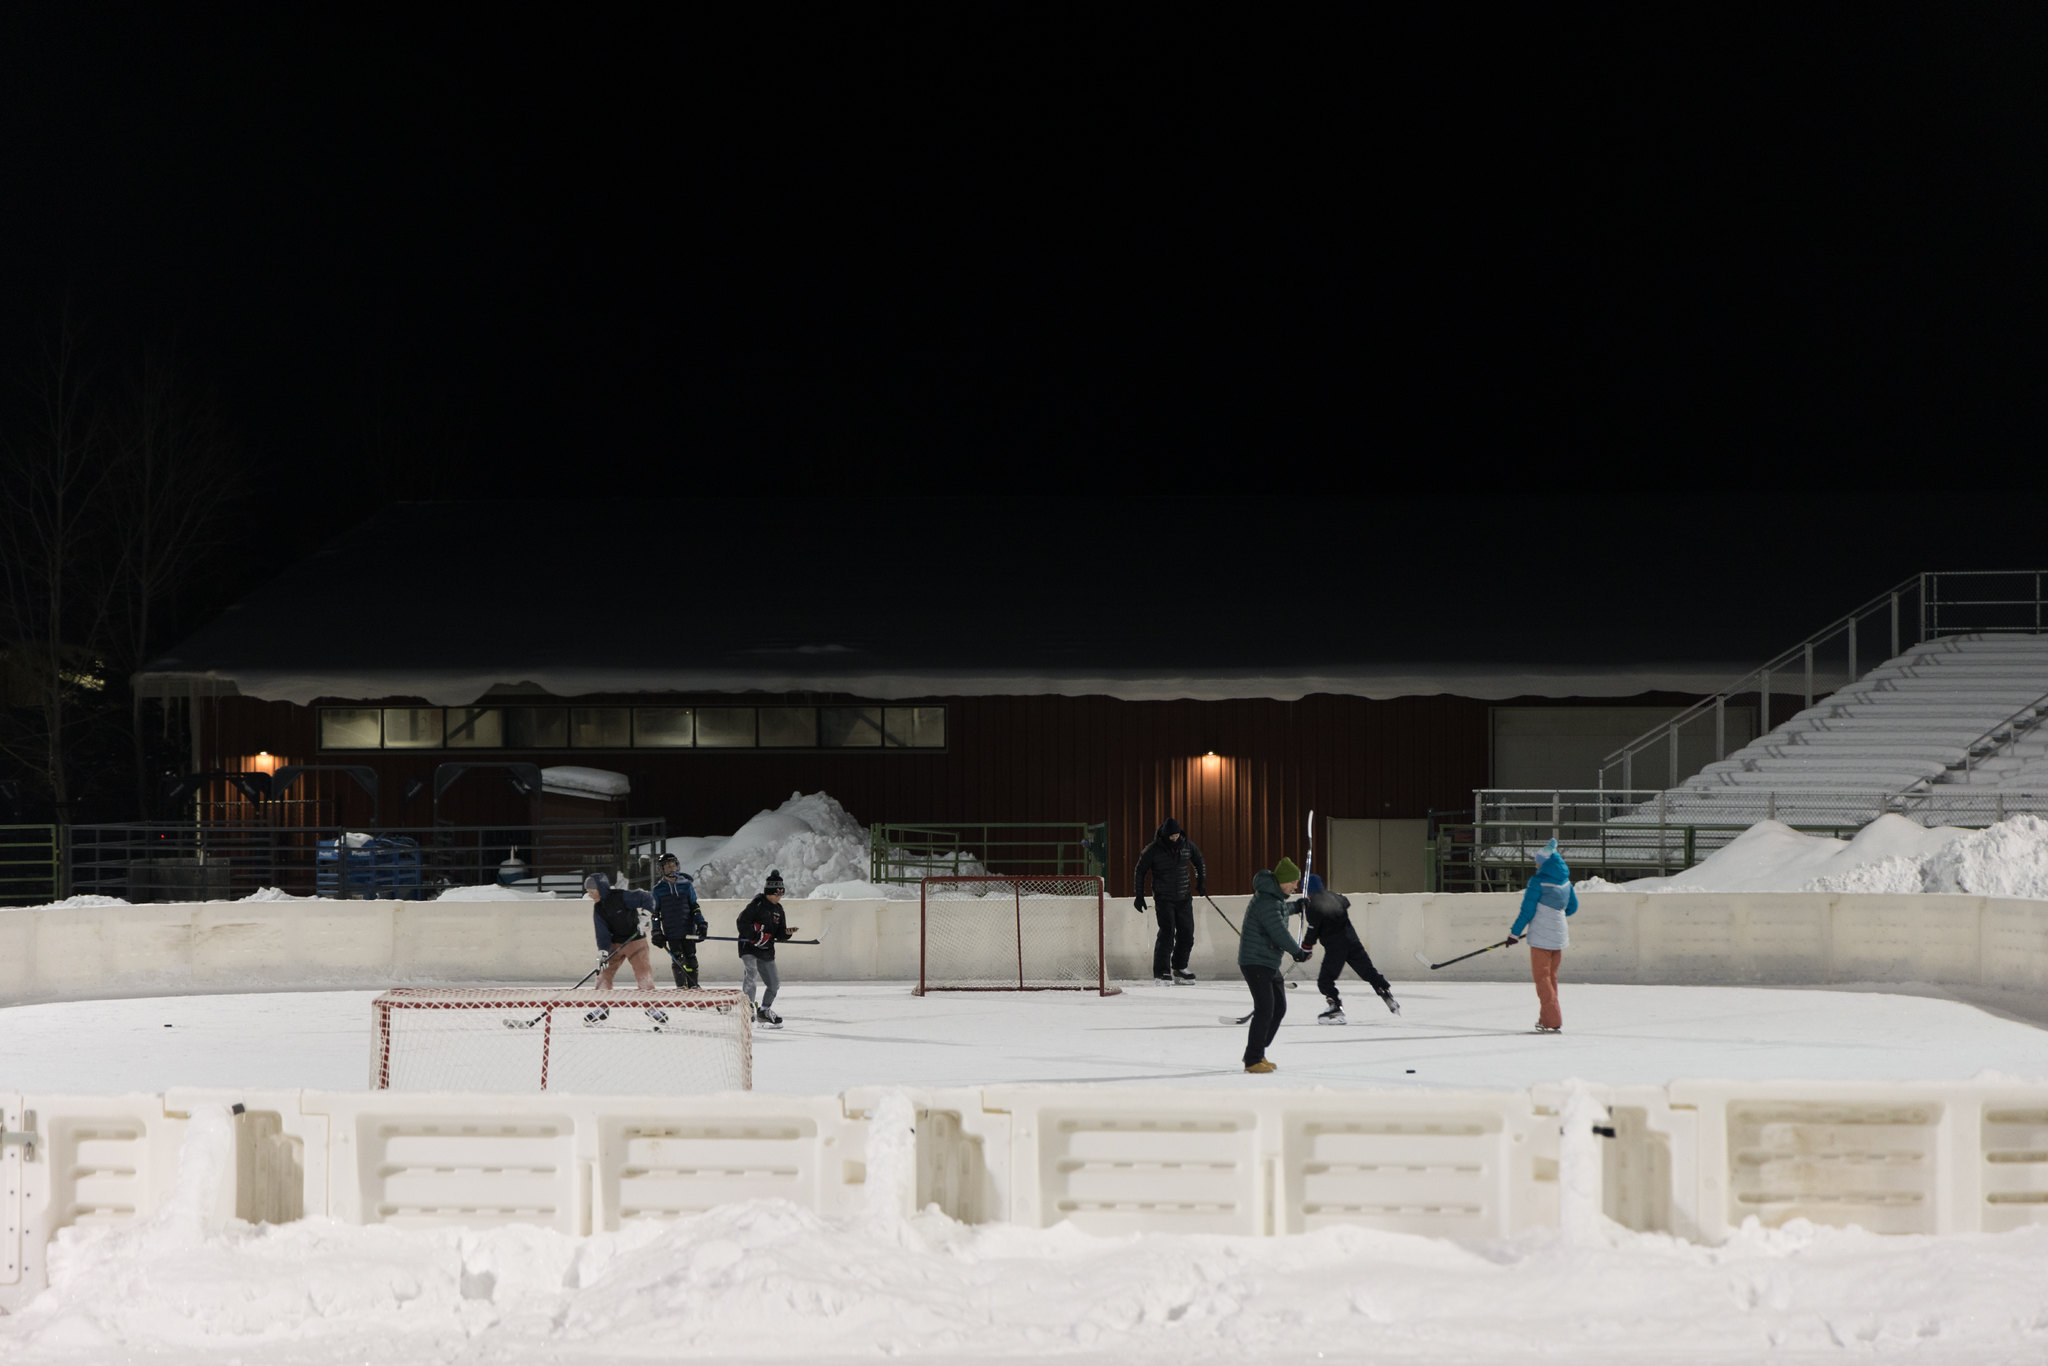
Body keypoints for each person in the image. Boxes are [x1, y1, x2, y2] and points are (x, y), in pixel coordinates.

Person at [1238, 856, 1310, 1073]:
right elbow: (1278, 931)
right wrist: (1298, 952)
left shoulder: (1273, 897)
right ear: (1281, 881)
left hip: (1268, 962)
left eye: (1297, 883)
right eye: (1292, 882)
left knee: (1278, 1008)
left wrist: (1297, 907)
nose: (1295, 886)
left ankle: (1258, 1052)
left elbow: (1281, 910)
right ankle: (1252, 1059)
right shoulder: (1266, 901)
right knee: (1265, 1009)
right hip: (1256, 962)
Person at [1302, 873, 1398, 1024]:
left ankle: (1335, 1009)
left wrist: (1306, 948)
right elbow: (1341, 903)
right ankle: (1384, 991)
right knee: (1368, 971)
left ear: (1307, 890)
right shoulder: (1334, 897)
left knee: (1325, 980)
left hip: (1336, 947)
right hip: (1352, 942)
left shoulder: (1314, 906)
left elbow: (1312, 930)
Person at [1507, 838, 1578, 1032]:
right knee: (1551, 977)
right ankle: (1545, 1020)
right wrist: (1554, 918)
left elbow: (1527, 911)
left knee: (1542, 978)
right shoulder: (1565, 882)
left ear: (1545, 863)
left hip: (1541, 939)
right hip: (1559, 936)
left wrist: (1514, 933)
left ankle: (1553, 1019)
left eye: (1538, 862)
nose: (1536, 865)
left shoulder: (1537, 882)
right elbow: (1572, 907)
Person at [1132, 817, 1207, 984]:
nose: (1175, 838)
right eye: (1172, 836)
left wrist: (1201, 881)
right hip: (1164, 898)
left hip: (1184, 897)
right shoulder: (1153, 849)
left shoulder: (1187, 845)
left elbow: (1199, 861)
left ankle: (1180, 968)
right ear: (1165, 835)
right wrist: (1139, 895)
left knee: (1187, 933)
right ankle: (1161, 971)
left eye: (1177, 835)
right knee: (1167, 933)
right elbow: (1140, 871)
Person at [582, 872, 662, 1023]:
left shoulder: (621, 896)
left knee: (643, 973)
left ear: (601, 888)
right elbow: (602, 932)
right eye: (589, 893)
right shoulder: (598, 908)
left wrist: (645, 916)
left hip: (635, 939)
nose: (591, 896)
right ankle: (601, 1006)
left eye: (593, 892)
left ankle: (652, 1007)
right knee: (602, 971)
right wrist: (603, 952)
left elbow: (647, 897)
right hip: (614, 944)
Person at [736, 868, 798, 1029]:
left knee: (774, 983)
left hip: (767, 950)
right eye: (776, 894)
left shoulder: (779, 910)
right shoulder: (757, 904)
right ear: (768, 892)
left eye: (781, 894)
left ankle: (764, 1011)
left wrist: (786, 933)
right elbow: (742, 922)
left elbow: (779, 934)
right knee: (751, 973)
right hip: (749, 947)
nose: (778, 897)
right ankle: (748, 1008)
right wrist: (753, 936)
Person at [648, 853, 708, 988]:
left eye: (673, 865)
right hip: (672, 931)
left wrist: (701, 923)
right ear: (661, 869)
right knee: (678, 959)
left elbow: (694, 907)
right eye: (667, 866)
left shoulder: (686, 885)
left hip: (688, 929)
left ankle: (693, 986)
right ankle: (680, 987)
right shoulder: (658, 890)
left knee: (691, 958)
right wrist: (656, 931)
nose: (671, 868)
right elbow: (655, 913)